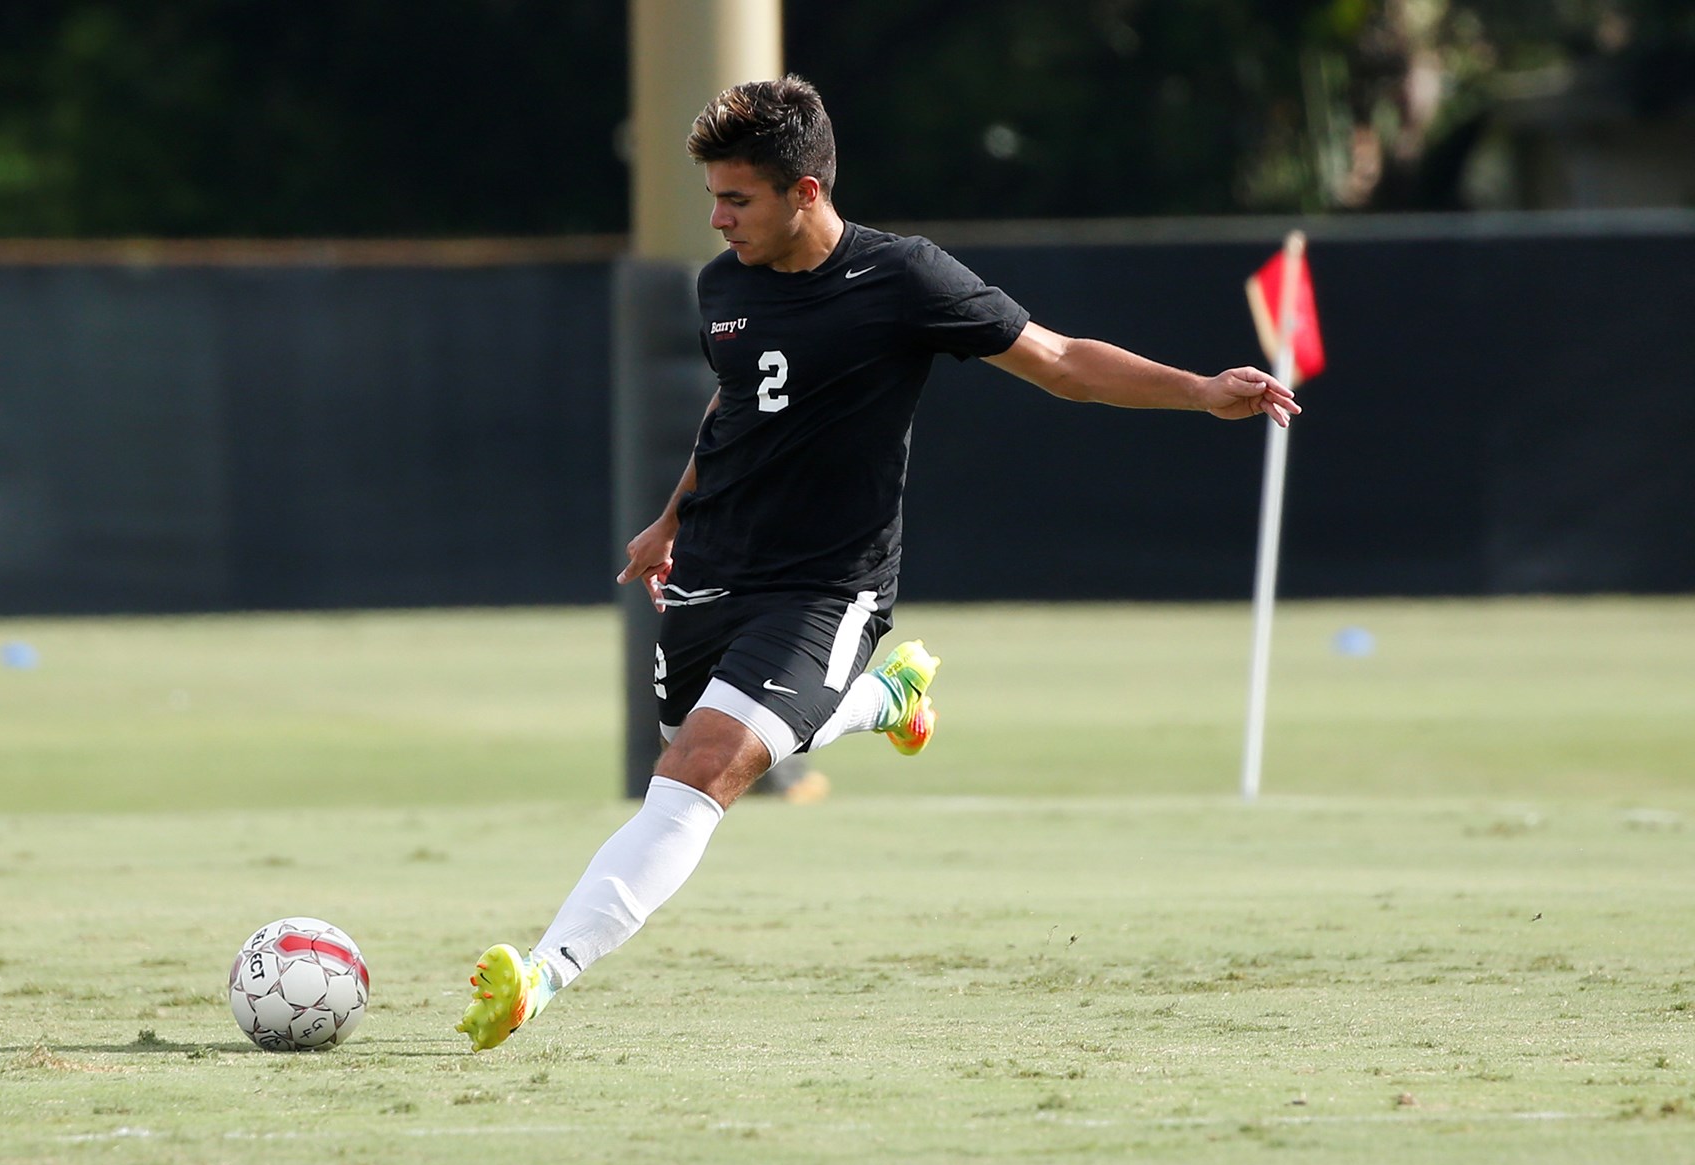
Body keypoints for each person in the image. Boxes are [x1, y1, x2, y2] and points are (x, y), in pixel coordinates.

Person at [456, 74, 1297, 1050]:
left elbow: (1059, 360)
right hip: (712, 567)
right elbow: (734, 407)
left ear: (804, 192)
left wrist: (1197, 389)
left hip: (826, 584)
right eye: (713, 198)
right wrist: (669, 517)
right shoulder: (721, 285)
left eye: (737, 198)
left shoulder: (903, 279)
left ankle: (541, 977)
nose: (719, 218)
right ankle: (887, 701)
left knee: (697, 772)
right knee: (713, 743)